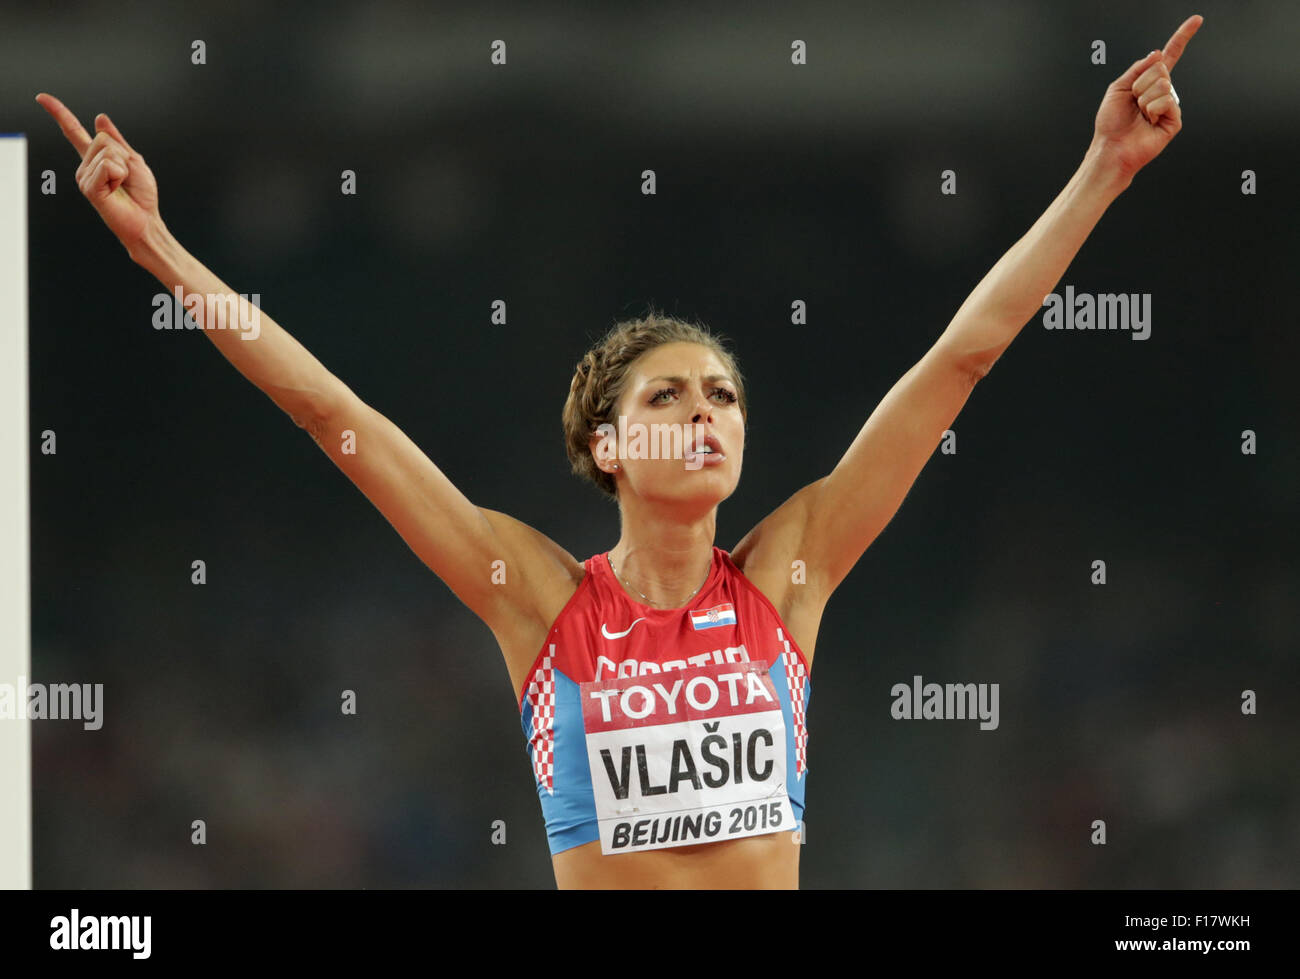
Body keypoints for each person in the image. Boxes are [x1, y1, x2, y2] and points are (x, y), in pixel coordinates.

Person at [34, 13, 1202, 890]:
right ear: (607, 442)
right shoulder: (539, 600)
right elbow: (332, 417)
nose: (707, 414)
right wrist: (161, 252)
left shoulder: (790, 570)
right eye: (671, 395)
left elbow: (960, 359)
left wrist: (1102, 170)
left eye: (724, 396)